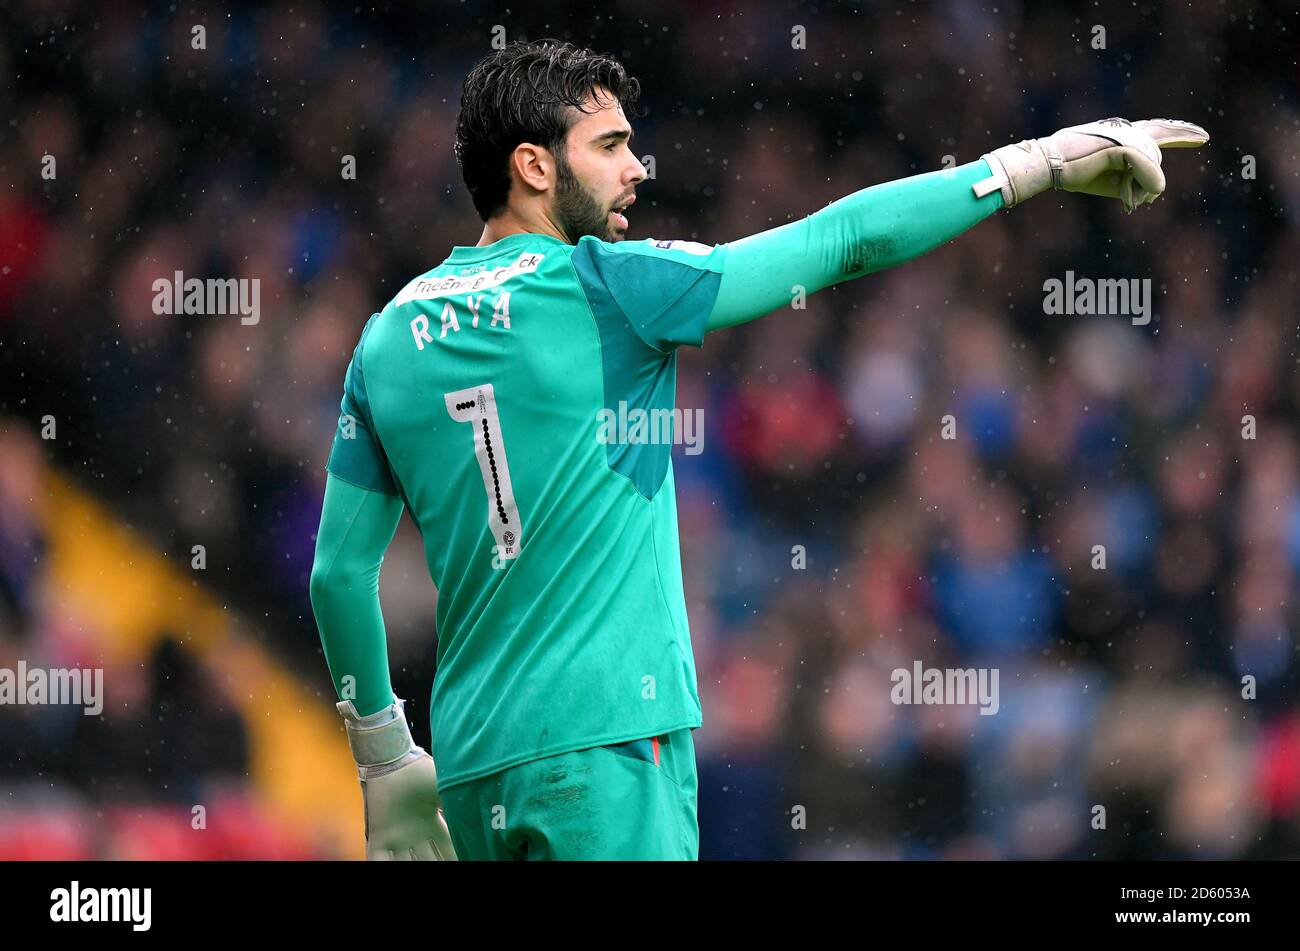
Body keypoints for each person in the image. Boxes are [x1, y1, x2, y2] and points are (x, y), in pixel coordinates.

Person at [308, 38, 1207, 861]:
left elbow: (339, 577)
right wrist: (1034, 164)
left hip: (473, 760)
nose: (635, 169)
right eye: (611, 146)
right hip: (612, 739)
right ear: (534, 167)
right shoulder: (608, 287)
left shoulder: (386, 340)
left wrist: (385, 757)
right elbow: (842, 241)